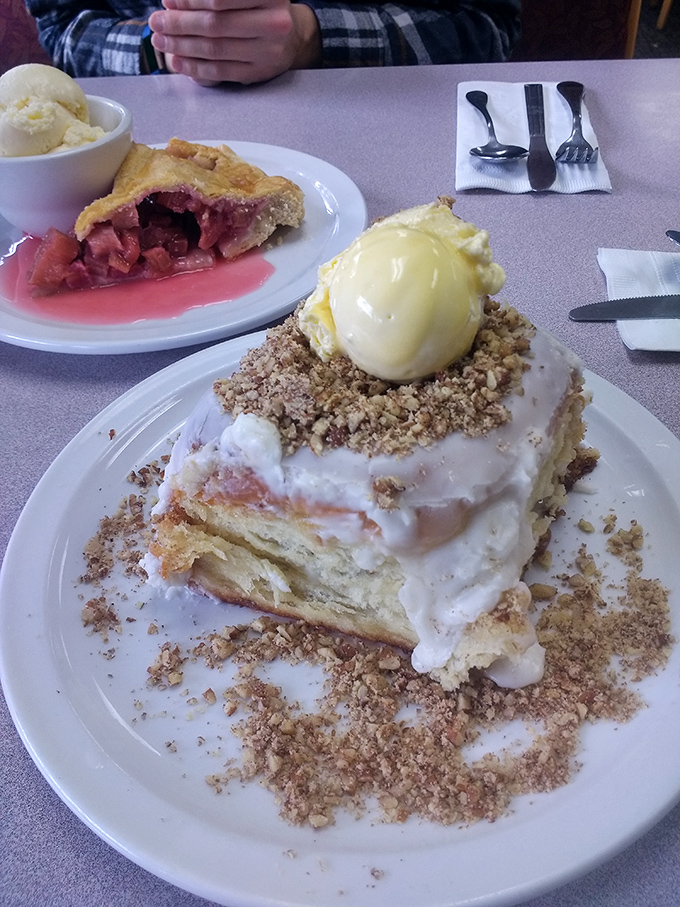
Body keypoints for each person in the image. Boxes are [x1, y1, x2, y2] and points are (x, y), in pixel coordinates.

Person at [26, 0, 521, 85]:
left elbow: (490, 27)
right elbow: (62, 27)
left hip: (400, 125)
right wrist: (168, 43)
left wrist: (315, 35)